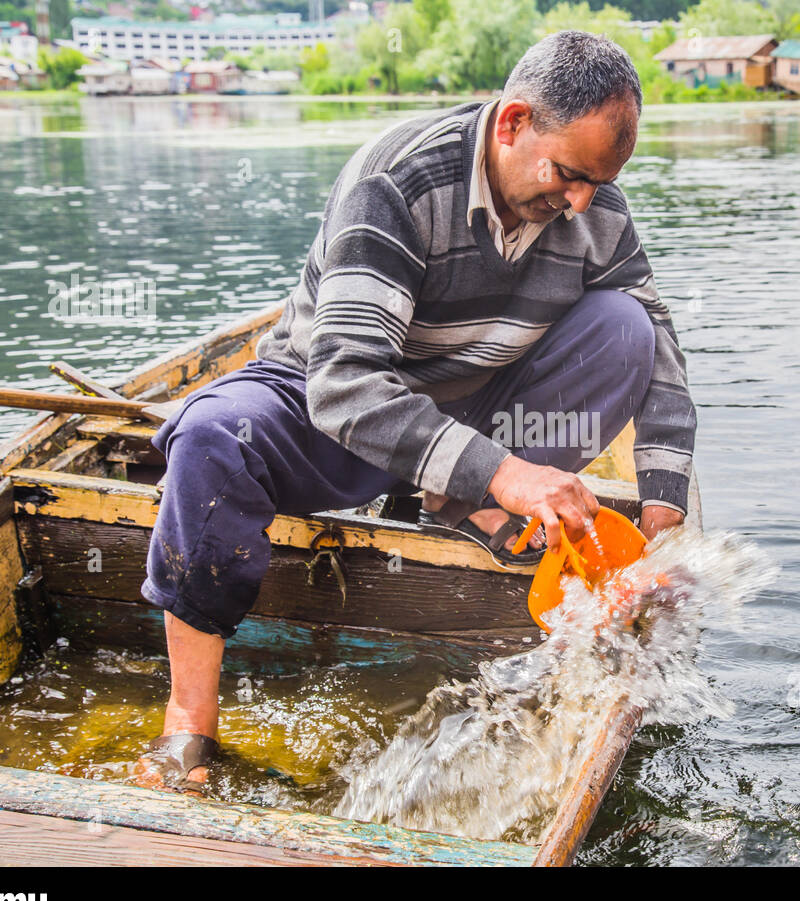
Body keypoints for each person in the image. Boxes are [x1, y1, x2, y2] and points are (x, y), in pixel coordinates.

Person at [134, 30, 698, 793]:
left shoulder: (590, 204)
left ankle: (454, 497)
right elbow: (347, 387)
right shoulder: (396, 183)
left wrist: (663, 511)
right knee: (209, 437)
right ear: (512, 123)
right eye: (568, 175)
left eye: (598, 183)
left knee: (625, 328)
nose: (581, 202)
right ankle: (188, 718)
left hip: (475, 407)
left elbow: (656, 341)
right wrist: (508, 474)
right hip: (328, 411)